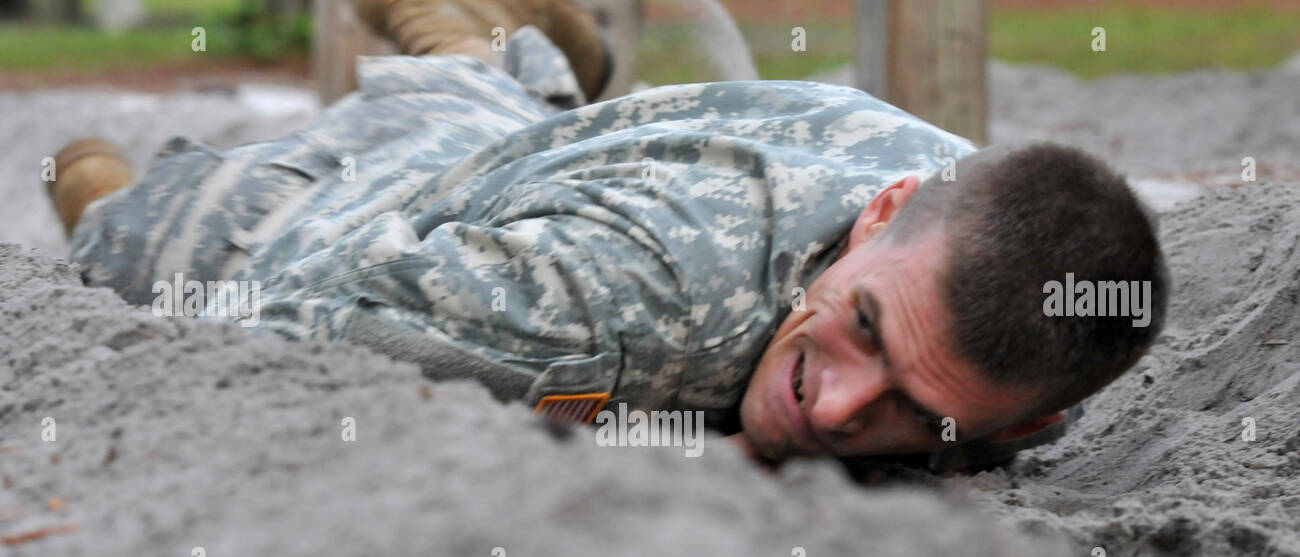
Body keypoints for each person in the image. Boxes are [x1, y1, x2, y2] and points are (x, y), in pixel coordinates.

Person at [47, 0, 1168, 469]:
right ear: (881, 213)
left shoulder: (999, 290)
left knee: (487, 98)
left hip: (580, 160)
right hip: (369, 200)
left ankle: (504, 46)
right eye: (863, 327)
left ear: (1034, 422)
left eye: (909, 416)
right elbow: (279, 326)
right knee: (138, 254)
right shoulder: (617, 314)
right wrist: (675, 440)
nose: (831, 407)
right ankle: (88, 175)